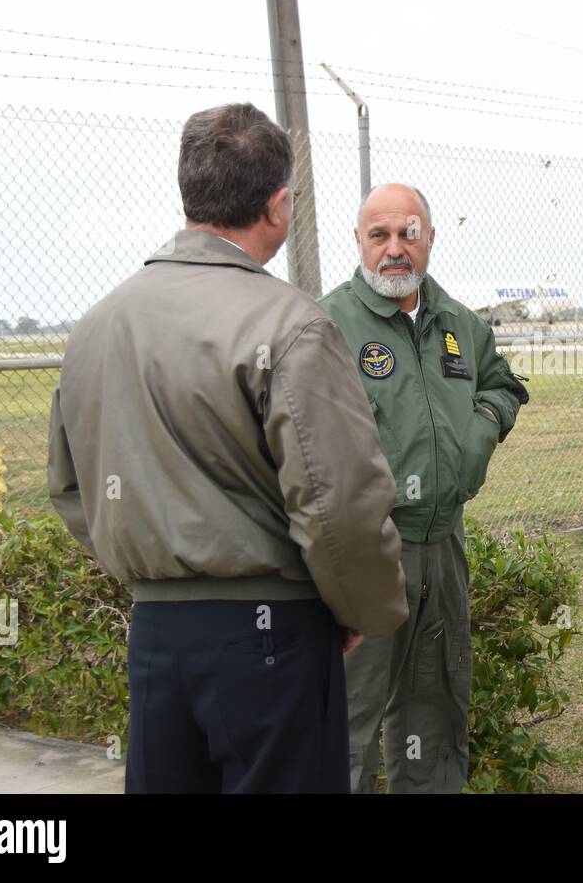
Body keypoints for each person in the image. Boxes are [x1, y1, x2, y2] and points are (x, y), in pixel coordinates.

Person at [47, 103, 406, 794]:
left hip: (156, 634)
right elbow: (339, 505)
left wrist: (161, 570)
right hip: (274, 634)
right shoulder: (290, 323)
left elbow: (71, 488)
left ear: (190, 190)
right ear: (278, 205)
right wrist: (361, 609)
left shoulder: (97, 325)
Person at [319, 182, 529, 793]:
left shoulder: (459, 322)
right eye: (378, 235)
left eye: (407, 233)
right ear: (358, 241)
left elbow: (501, 385)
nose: (394, 249)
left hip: (444, 546)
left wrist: (480, 431)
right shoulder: (325, 325)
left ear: (430, 237)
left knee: (434, 710)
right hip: (365, 551)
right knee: (349, 720)